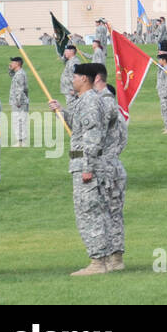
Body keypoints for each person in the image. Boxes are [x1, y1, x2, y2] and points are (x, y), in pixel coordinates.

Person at [49, 64, 111, 275]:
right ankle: (100, 259)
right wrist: (61, 111)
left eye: (74, 76)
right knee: (89, 211)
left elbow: (92, 136)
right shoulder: (85, 101)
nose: (71, 80)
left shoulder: (91, 101)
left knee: (89, 212)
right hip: (81, 162)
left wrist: (88, 167)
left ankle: (97, 262)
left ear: (84, 78)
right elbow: (79, 127)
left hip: (86, 164)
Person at [93, 64, 128, 272]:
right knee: (115, 213)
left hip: (106, 167)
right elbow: (123, 141)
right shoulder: (121, 117)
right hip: (114, 164)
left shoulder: (107, 110)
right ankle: (116, 258)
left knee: (105, 213)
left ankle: (107, 258)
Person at [7, 56, 29, 147]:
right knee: (18, 120)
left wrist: (18, 102)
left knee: (19, 121)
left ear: (17, 64)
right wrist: (10, 69)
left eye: (12, 62)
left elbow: (20, 89)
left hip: (19, 103)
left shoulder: (20, 74)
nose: (11, 64)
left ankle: (21, 142)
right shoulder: (18, 73)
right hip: (18, 102)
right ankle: (20, 141)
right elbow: (12, 75)